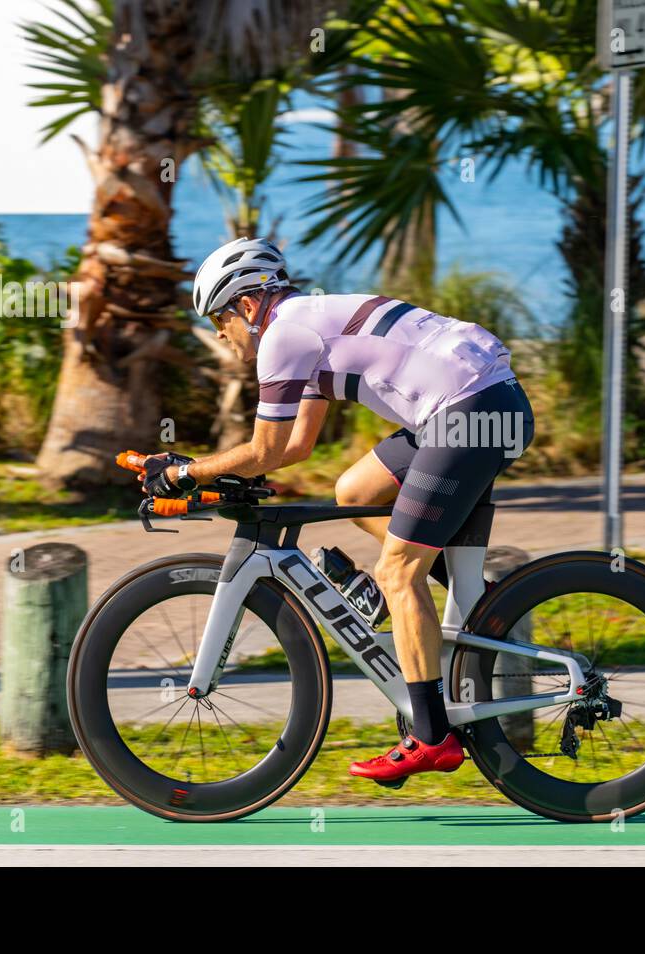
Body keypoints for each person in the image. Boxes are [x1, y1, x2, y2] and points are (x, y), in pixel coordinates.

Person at [140, 237, 534, 785]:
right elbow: (296, 446)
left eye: (219, 320)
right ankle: (451, 592)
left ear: (248, 307)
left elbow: (265, 452)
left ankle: (431, 737)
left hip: (467, 410)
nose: (220, 336)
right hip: (481, 403)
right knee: (354, 491)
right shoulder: (307, 325)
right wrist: (208, 471)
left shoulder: (283, 336)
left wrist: (184, 472)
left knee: (397, 571)